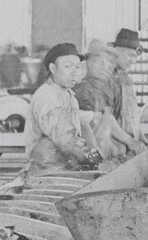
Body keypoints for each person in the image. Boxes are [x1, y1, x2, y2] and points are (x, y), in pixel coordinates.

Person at [26, 42, 103, 176]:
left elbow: (75, 121)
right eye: (68, 66)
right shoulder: (47, 96)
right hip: (47, 171)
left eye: (77, 67)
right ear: (53, 68)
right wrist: (90, 157)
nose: (74, 72)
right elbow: (64, 139)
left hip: (63, 166)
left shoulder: (67, 95)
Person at [75, 39, 145, 161]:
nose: (105, 66)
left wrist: (117, 153)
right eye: (98, 60)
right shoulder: (85, 90)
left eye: (108, 62)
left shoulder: (102, 86)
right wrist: (101, 160)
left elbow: (106, 122)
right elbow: (88, 130)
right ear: (88, 62)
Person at [109, 28, 145, 144]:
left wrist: (142, 140)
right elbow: (105, 120)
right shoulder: (107, 79)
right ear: (117, 51)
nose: (133, 61)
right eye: (130, 55)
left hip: (127, 147)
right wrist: (130, 142)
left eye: (135, 57)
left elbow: (133, 116)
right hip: (113, 147)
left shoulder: (126, 80)